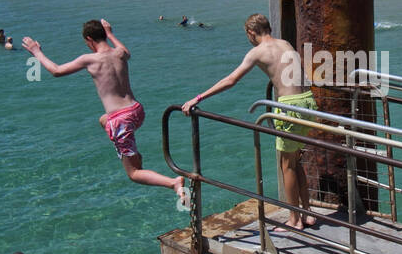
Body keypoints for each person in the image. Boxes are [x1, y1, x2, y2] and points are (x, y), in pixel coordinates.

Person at [182, 14, 317, 231]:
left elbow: (231, 80)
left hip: (290, 108)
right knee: (295, 160)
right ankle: (307, 214)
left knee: (286, 165)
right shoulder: (285, 43)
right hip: (308, 102)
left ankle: (294, 220)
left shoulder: (257, 52)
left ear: (251, 33)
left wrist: (198, 98)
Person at [22, 20, 184, 197]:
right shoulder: (120, 53)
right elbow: (127, 52)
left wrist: (36, 52)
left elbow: (57, 71)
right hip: (136, 111)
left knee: (134, 173)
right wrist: (111, 34)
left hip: (121, 120)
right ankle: (132, 153)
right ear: (104, 35)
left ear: (89, 39)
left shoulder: (89, 59)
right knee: (103, 120)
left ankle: (173, 183)